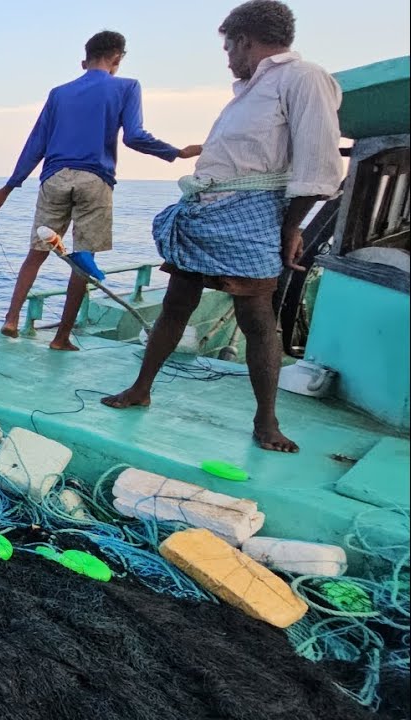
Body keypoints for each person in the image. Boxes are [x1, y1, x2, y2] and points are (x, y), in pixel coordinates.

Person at [101, 0, 343, 454]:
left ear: (244, 40)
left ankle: (266, 421)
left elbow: (319, 164)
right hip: (206, 213)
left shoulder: (303, 78)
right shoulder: (250, 91)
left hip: (252, 216)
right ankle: (141, 388)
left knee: (256, 319)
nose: (228, 57)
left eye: (229, 47)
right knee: (176, 305)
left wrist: (292, 227)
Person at [0, 30, 202, 350]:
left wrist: (9, 187)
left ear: (85, 60)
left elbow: (36, 144)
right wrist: (175, 153)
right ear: (117, 58)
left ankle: (12, 319)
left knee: (36, 253)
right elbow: (134, 136)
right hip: (95, 180)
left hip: (55, 178)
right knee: (82, 260)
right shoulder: (126, 87)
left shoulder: (59, 93)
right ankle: (60, 338)